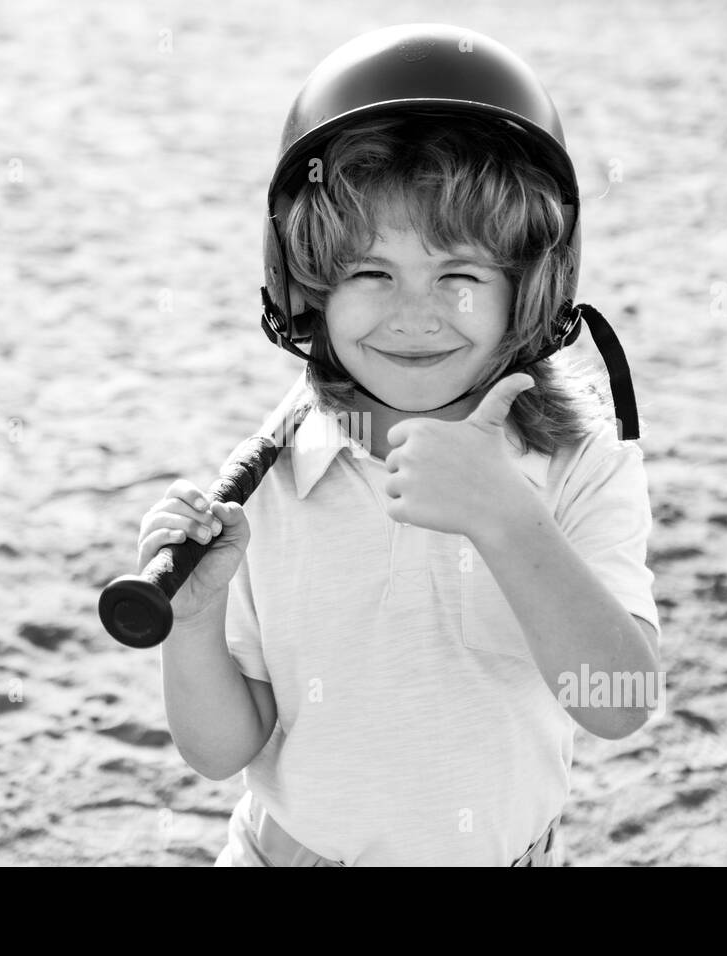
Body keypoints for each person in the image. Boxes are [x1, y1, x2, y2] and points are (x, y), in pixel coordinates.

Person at [140, 23, 662, 866]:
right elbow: (221, 749)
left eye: (460, 276)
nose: (415, 315)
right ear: (308, 286)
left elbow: (620, 703)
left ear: (529, 289)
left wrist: (506, 519)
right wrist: (192, 625)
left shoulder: (580, 464)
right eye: (371, 273)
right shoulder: (271, 479)